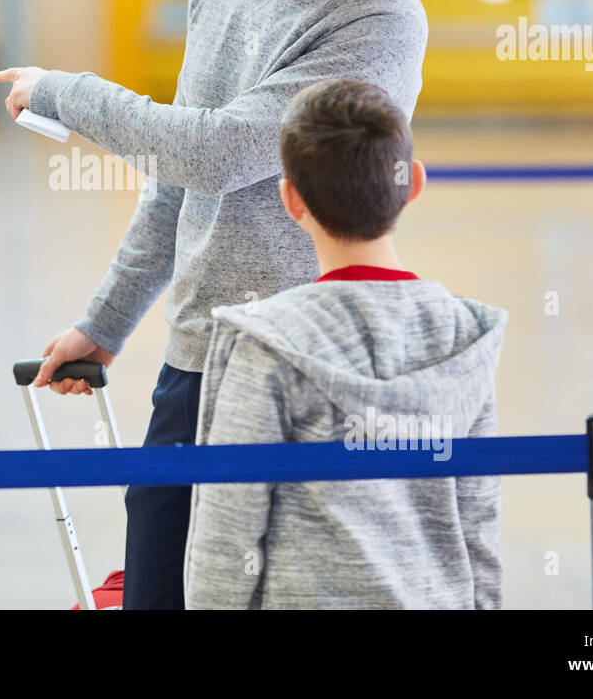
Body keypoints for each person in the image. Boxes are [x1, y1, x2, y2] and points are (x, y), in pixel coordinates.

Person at [0, 0, 428, 609]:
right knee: (156, 591)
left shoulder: (379, 17)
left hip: (307, 374)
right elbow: (176, 181)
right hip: (196, 360)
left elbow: (216, 154)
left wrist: (66, 92)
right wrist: (106, 323)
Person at [184, 79, 507, 609]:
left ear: (291, 199)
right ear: (413, 183)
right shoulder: (466, 336)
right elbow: (478, 523)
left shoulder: (266, 343)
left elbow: (230, 529)